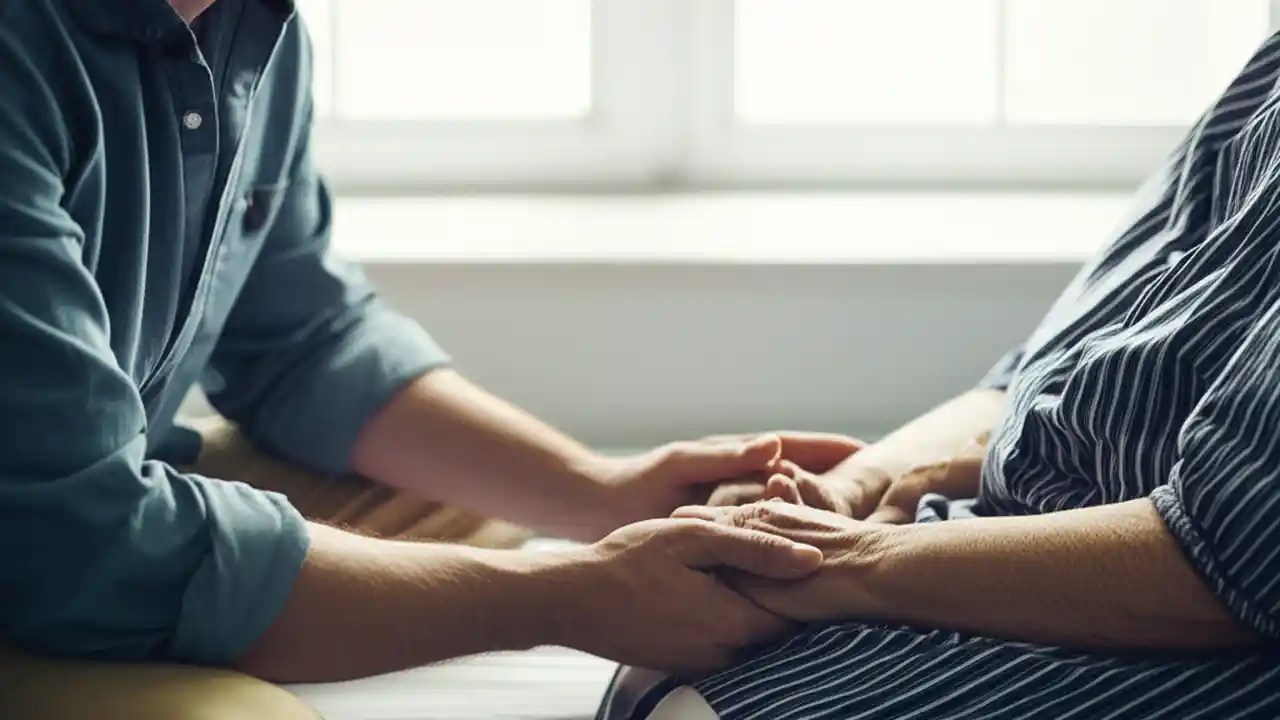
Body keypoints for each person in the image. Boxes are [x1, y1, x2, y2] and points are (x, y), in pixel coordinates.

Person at [0, 1, 866, 717]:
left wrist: (605, 493)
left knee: (468, 508)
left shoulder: (254, 32)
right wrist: (564, 597)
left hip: (82, 492)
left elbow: (303, 342)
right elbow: (80, 536)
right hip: (51, 540)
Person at [609, 29, 1280, 720]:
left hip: (1158, 619)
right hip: (999, 547)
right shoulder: (1268, 79)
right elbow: (1044, 372)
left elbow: (1230, 557)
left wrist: (848, 559)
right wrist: (847, 491)